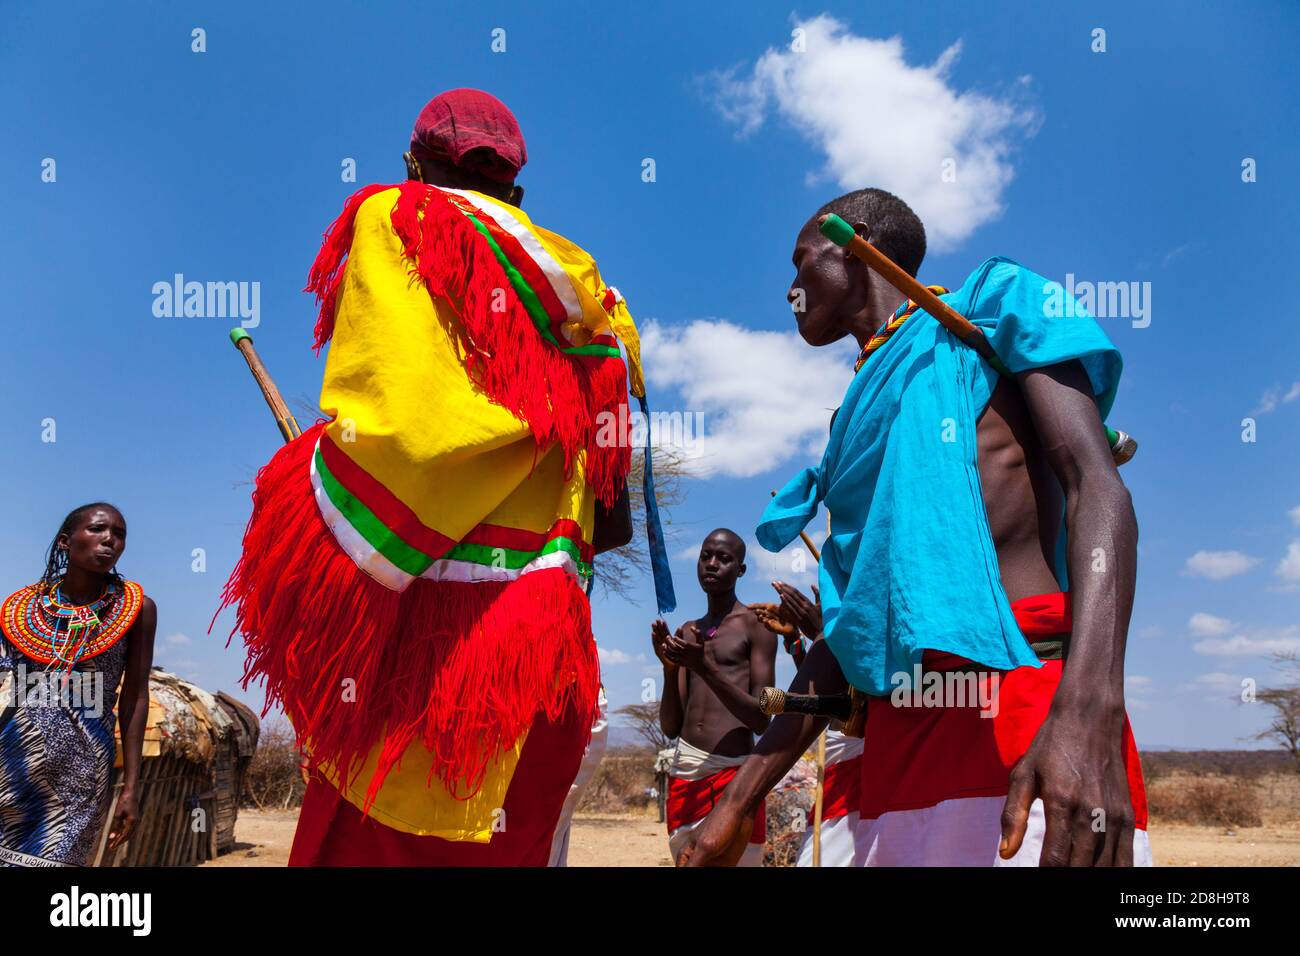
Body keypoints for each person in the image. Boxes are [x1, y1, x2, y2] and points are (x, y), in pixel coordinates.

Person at [219, 88, 649, 865]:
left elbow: (398, 442)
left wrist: (302, 477)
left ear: (414, 164)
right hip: (541, 664)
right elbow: (611, 522)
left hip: (415, 664)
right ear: (517, 191)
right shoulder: (597, 304)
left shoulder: (403, 220)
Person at [680, 188, 1149, 867]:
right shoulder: (851, 420)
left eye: (801, 262)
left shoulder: (988, 308)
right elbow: (851, 632)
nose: (790, 289)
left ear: (856, 241)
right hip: (898, 744)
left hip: (1027, 705)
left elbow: (1099, 487)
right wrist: (734, 804)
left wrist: (1090, 713)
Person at [0, 503, 156, 866]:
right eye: (98, 530)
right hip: (12, 760)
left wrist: (131, 789)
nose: (109, 541)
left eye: (119, 535)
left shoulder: (136, 610)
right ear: (66, 542)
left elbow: (135, 697)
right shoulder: (20, 610)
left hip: (81, 771)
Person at [652, 529, 776, 866]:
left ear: (741, 570)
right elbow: (671, 726)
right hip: (685, 772)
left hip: (736, 777)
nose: (712, 564)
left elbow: (762, 719)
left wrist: (704, 667)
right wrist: (668, 671)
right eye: (706, 555)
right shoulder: (687, 632)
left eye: (724, 558)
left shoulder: (757, 627)